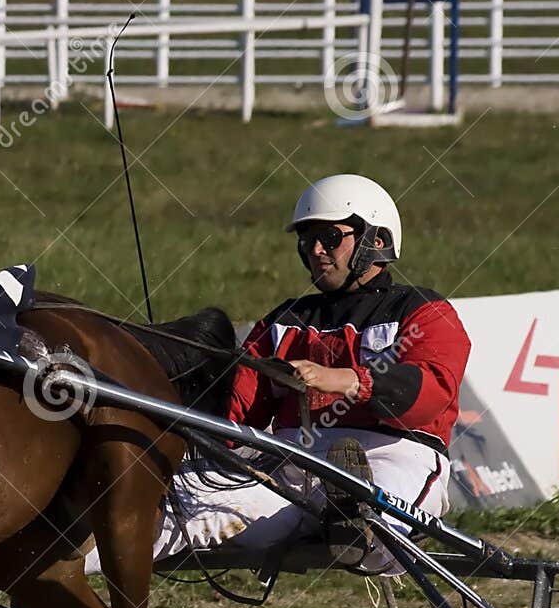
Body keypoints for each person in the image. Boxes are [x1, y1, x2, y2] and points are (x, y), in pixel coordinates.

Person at [155, 173, 472, 570]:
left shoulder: (422, 310)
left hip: (393, 456)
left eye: (330, 238)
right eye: (307, 241)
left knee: (376, 525)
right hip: (291, 467)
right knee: (170, 505)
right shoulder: (284, 321)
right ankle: (67, 553)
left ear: (376, 240)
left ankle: (352, 513)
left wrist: (348, 381)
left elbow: (429, 394)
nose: (317, 250)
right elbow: (237, 418)